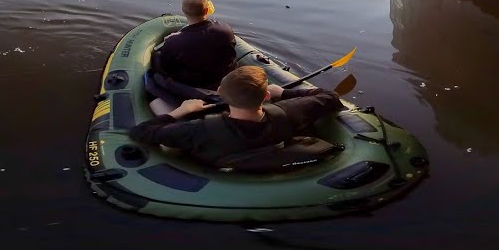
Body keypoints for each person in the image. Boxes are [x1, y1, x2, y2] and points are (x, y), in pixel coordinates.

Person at [128, 65, 342, 167]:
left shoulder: (198, 130)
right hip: (266, 150)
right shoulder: (291, 110)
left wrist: (181, 110)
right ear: (266, 96)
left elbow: (141, 132)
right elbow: (330, 96)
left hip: (217, 159)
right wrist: (284, 93)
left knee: (157, 101)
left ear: (219, 92)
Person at [147, 0, 236, 106]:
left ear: (183, 11)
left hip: (195, 84)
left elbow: (166, 67)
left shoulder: (174, 42)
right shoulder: (226, 30)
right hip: (221, 78)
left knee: (157, 63)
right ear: (206, 10)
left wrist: (170, 42)